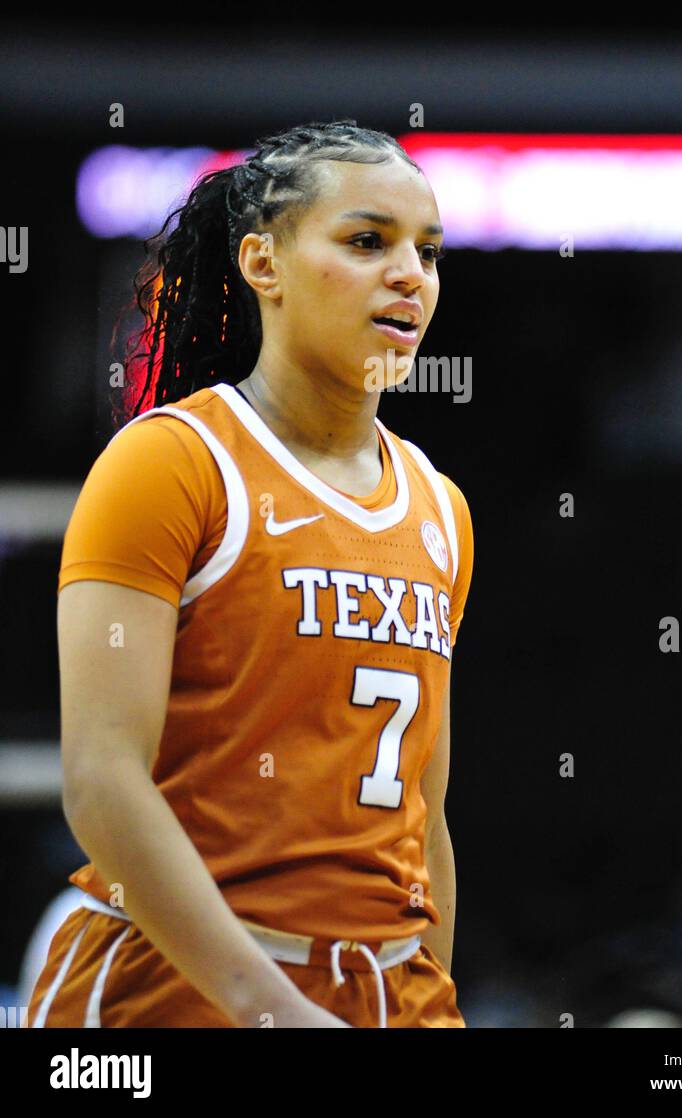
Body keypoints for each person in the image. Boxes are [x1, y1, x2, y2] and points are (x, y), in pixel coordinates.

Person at [26, 120, 474, 1028]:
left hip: (389, 987)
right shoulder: (171, 464)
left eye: (426, 253)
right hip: (177, 981)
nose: (408, 276)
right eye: (365, 241)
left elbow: (425, 811)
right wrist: (268, 1008)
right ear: (262, 264)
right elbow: (101, 778)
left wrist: (427, 985)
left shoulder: (441, 509)